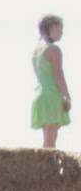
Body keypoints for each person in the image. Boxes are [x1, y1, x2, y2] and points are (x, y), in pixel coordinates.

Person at [33, 14, 71, 149]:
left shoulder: (36, 50)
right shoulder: (53, 49)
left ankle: (44, 168)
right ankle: (49, 170)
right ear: (52, 27)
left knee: (47, 139)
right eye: (60, 29)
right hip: (52, 95)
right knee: (52, 140)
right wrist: (67, 96)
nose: (62, 33)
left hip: (40, 94)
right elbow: (59, 76)